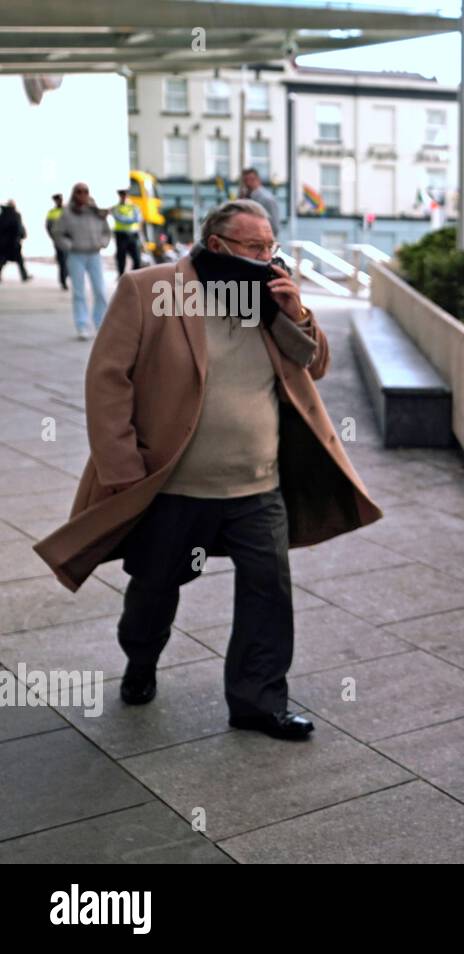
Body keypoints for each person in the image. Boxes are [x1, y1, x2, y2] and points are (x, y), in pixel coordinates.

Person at [33, 199, 383, 741]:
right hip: (174, 485)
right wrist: (122, 466)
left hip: (258, 484)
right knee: (153, 590)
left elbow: (314, 364)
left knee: (269, 594)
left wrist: (297, 314)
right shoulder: (150, 289)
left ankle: (258, 702)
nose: (268, 257)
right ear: (217, 245)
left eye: (271, 246)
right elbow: (107, 381)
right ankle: (141, 659)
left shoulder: (269, 294)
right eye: (254, 247)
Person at [49, 183, 111, 339]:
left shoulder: (95, 212)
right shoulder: (67, 213)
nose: (82, 195)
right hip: (76, 255)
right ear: (73, 194)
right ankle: (82, 325)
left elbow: (106, 231)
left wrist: (102, 243)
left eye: (85, 192)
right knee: (78, 292)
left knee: (100, 290)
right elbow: (57, 233)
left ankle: (101, 323)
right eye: (79, 192)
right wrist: (69, 245)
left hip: (94, 254)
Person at [109, 188, 144, 276]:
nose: (124, 196)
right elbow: (119, 218)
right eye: (122, 195)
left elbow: (137, 219)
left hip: (133, 235)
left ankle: (133, 276)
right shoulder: (116, 207)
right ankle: (121, 277)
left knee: (137, 259)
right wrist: (130, 220)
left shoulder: (134, 207)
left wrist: (126, 219)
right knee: (121, 259)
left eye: (125, 194)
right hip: (121, 235)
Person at [239, 168, 280, 237]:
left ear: (258, 180)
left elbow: (274, 227)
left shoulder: (267, 199)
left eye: (252, 180)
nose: (248, 183)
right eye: (245, 181)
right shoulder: (246, 197)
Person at [0, 200, 31, 283]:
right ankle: (24, 276)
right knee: (20, 261)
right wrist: (23, 235)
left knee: (2, 260)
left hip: (3, 243)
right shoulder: (16, 215)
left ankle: (24, 276)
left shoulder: (3, 215)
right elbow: (19, 227)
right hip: (14, 242)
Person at [46, 193, 68, 290]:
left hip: (68, 240)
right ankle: (63, 281)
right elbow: (48, 226)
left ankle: (65, 277)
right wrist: (53, 237)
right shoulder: (51, 212)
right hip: (58, 240)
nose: (59, 201)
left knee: (68, 260)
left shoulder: (67, 211)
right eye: (57, 200)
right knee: (62, 261)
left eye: (60, 199)